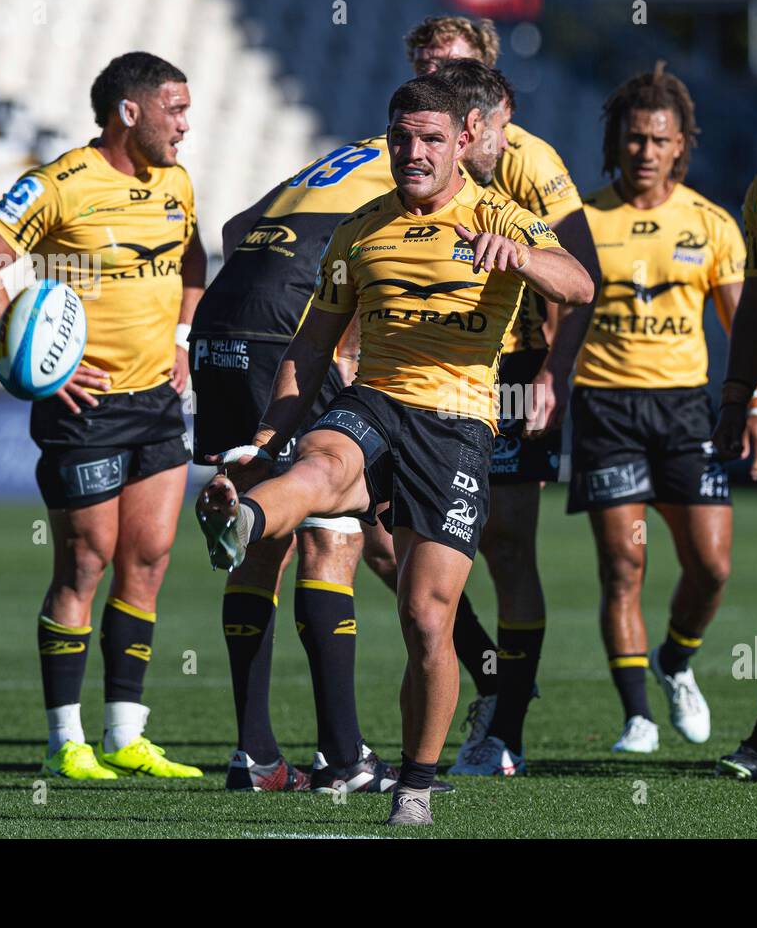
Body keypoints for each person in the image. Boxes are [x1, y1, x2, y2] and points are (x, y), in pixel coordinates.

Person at [195, 73, 592, 825]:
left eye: (431, 139)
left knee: (425, 617)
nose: (414, 152)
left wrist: (521, 258)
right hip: (374, 397)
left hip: (456, 427)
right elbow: (311, 347)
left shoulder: (499, 211)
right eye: (402, 138)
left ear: (463, 142)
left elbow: (578, 284)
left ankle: (414, 780)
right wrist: (261, 441)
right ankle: (243, 513)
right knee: (319, 466)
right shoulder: (361, 227)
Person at [0, 52, 205, 779]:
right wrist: (33, 367)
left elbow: (193, 261)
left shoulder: (176, 182)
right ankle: (67, 741)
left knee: (148, 560)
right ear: (131, 111)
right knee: (85, 561)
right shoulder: (60, 184)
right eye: (174, 110)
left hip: (157, 401)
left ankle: (127, 733)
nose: (185, 125)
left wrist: (184, 338)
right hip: (83, 409)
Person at [407, 16, 602, 774]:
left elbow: (584, 276)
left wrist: (553, 372)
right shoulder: (403, 151)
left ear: (489, 97)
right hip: (420, 369)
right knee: (392, 538)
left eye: (449, 67)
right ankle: (487, 672)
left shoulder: (531, 162)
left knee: (506, 543)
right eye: (424, 64)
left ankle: (505, 725)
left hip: (513, 371)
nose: (435, 77)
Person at [560, 64, 757, 753]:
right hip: (607, 410)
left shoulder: (711, 224)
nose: (646, 150)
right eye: (634, 138)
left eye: (659, 139)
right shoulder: (582, 222)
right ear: (617, 141)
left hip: (684, 413)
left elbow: (745, 329)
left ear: (682, 145)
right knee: (623, 565)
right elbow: (555, 320)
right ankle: (638, 716)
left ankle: (676, 659)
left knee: (711, 567)